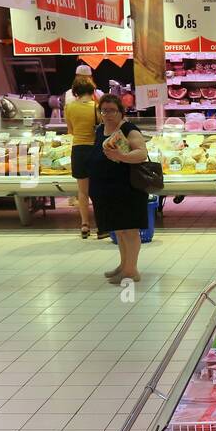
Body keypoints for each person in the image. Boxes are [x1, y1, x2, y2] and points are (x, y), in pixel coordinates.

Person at [88, 94, 150, 284]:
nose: (107, 114)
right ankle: (124, 265)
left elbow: (141, 153)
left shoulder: (128, 129)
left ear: (121, 111)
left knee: (130, 230)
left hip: (128, 187)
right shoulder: (101, 130)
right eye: (103, 110)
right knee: (120, 230)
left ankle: (132, 271)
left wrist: (121, 155)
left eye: (112, 110)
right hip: (108, 188)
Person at [64, 77, 98, 238]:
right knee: (98, 190)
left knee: (82, 192)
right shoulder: (96, 107)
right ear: (92, 91)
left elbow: (70, 130)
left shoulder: (69, 107)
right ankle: (103, 225)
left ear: (75, 92)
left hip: (78, 150)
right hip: (94, 150)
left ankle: (85, 225)